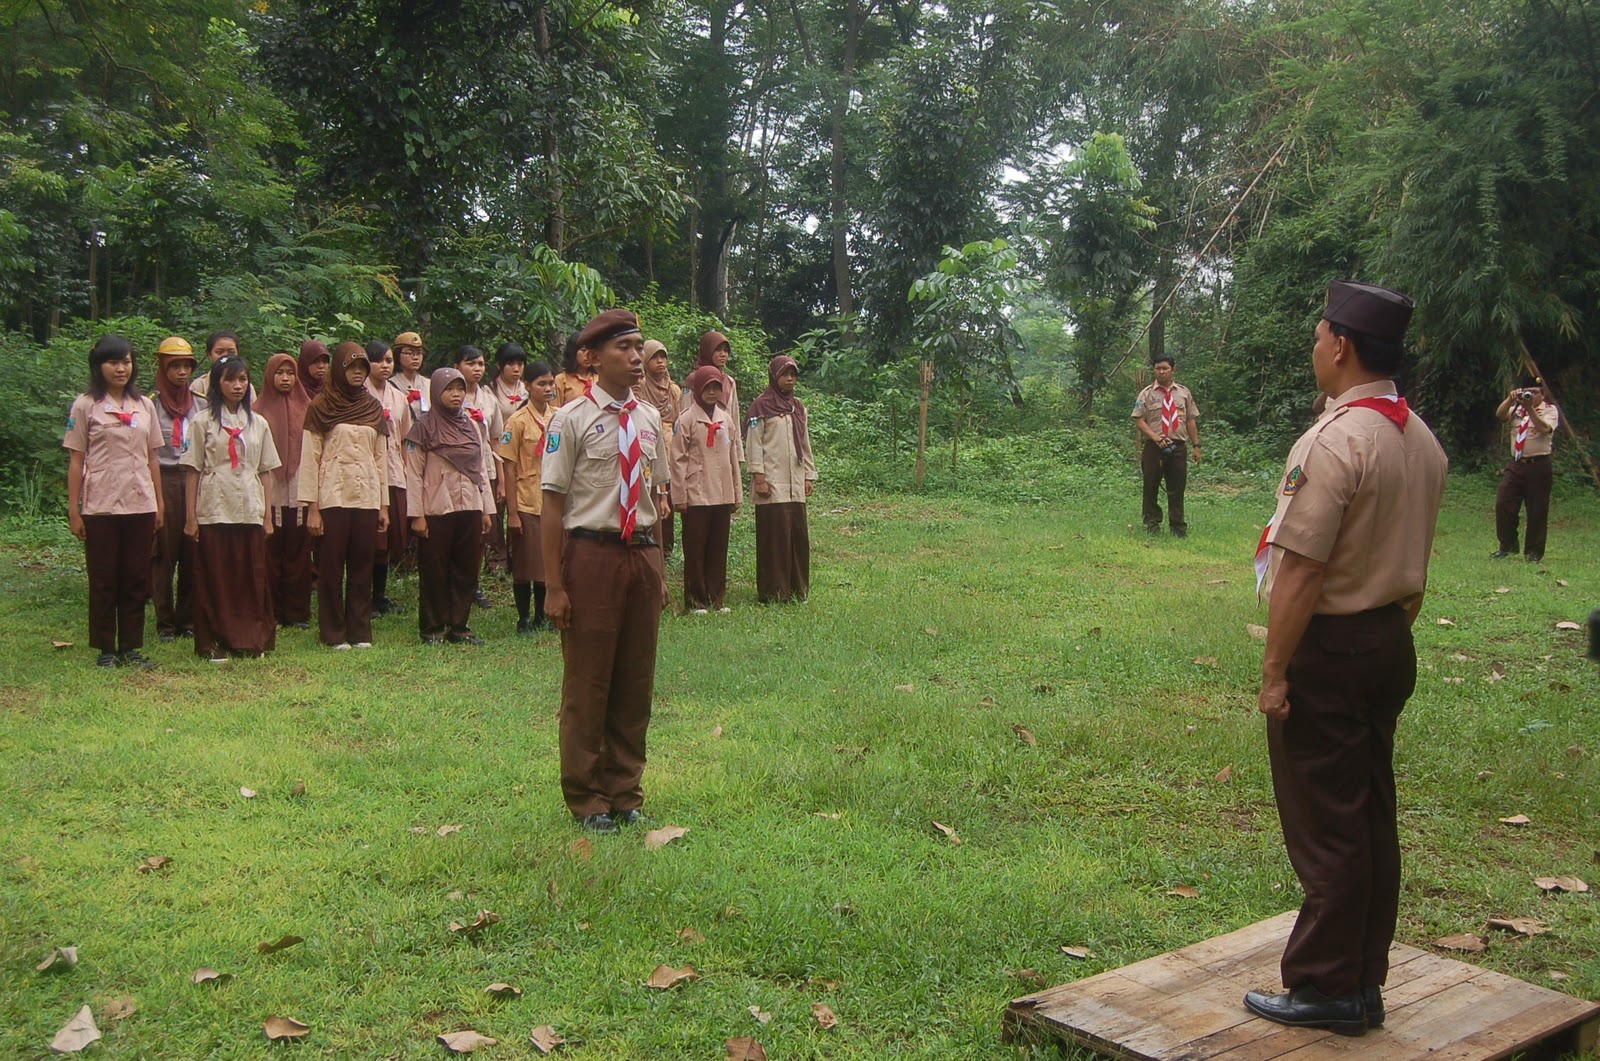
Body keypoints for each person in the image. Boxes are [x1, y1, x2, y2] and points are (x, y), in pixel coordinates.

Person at [1244, 280, 1448, 1038]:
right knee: (1368, 814)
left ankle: (1327, 987)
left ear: (1342, 344)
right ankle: (1362, 980)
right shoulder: (1417, 437)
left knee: (1327, 818)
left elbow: (1300, 571)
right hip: (1391, 638)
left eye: (1319, 334)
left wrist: (1275, 673)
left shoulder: (1336, 440)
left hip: (1331, 649)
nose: (1314, 347)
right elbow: (1416, 557)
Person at [541, 309, 671, 834]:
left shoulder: (648, 420)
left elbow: (657, 498)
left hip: (640, 553)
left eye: (639, 347)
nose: (636, 357)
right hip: (591, 554)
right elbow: (551, 506)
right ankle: (587, 797)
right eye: (624, 348)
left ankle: (625, 790)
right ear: (591, 359)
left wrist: (659, 570)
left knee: (635, 679)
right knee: (589, 681)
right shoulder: (570, 420)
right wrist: (554, 585)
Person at [62, 334, 165, 669]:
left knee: (136, 578)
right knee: (104, 577)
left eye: (127, 361)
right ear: (99, 366)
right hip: (101, 505)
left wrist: (159, 504)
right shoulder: (85, 405)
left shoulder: (145, 405)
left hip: (140, 503)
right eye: (113, 362)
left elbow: (153, 458)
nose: (121, 368)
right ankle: (106, 648)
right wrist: (73, 509)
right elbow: (77, 460)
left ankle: (131, 646)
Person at [182, 356, 281, 661]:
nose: (237, 386)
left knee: (250, 575)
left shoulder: (259, 423)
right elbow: (192, 470)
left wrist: (268, 516)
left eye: (242, 380)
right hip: (214, 504)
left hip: (250, 506)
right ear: (217, 383)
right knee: (217, 576)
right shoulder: (202, 422)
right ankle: (214, 642)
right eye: (230, 379)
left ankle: (250, 639)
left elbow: (266, 471)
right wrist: (191, 518)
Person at [299, 342, 389, 649]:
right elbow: (310, 459)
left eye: (362, 368)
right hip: (332, 496)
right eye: (351, 367)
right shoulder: (321, 405)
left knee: (363, 565)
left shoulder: (373, 408)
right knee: (332, 567)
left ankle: (360, 631)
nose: (357, 373)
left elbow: (381, 459)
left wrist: (384, 505)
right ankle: (334, 632)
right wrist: (312, 508)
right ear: (340, 369)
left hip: (366, 495)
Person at [406, 367, 494, 645]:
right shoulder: (423, 427)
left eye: (460, 389)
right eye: (449, 389)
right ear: (436, 392)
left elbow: (481, 468)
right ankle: (433, 628)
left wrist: (486, 509)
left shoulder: (471, 425)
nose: (456, 395)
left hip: (469, 505)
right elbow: (412, 473)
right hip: (436, 508)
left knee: (466, 568)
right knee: (434, 569)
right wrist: (416, 515)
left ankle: (460, 626)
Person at [745, 355, 818, 603]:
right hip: (772, 482)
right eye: (785, 374)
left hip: (795, 482)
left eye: (793, 374)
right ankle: (773, 592)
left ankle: (798, 590)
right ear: (774, 376)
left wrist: (809, 474)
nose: (789, 379)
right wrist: (759, 477)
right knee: (774, 539)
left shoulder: (798, 407)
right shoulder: (760, 406)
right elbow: (754, 444)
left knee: (797, 538)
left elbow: (805, 443)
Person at [670, 366, 741, 613]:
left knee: (718, 548)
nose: (712, 393)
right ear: (698, 389)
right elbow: (677, 460)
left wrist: (736, 493)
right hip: (697, 492)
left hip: (721, 492)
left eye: (716, 388)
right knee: (696, 548)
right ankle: (696, 599)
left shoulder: (726, 419)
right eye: (707, 388)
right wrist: (679, 496)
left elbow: (733, 458)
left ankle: (716, 596)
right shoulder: (686, 419)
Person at [498, 360, 557, 634]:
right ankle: (523, 618)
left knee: (548, 560)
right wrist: (513, 511)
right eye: (541, 384)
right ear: (527, 386)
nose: (547, 388)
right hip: (526, 499)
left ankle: (541, 616)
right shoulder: (517, 421)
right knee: (525, 563)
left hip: (552, 500)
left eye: (550, 383)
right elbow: (509, 467)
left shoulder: (558, 418)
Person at [150, 336, 202, 642]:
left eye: (187, 366)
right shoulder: (151, 404)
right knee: (164, 553)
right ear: (162, 367)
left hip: (194, 479)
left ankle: (188, 619)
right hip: (164, 478)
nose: (182, 372)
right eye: (175, 366)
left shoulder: (201, 404)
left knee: (192, 551)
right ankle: (165, 621)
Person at [257, 352, 314, 629]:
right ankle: (273, 610)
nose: (285, 378)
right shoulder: (257, 410)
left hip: (299, 484)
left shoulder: (308, 407)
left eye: (290, 373)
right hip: (269, 486)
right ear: (270, 376)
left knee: (299, 549)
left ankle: (297, 611)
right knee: (271, 550)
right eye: (279, 373)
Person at [1131, 354, 1201, 536]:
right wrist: (1156, 438)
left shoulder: (1184, 393)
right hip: (1154, 448)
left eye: (1165, 368)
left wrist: (1196, 446)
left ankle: (1177, 526)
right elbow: (1139, 420)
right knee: (1150, 486)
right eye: (1157, 368)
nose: (1161, 372)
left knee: (1177, 487)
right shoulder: (1146, 393)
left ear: (1173, 370)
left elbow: (1191, 420)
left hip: (1178, 447)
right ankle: (1152, 524)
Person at [366, 340, 411, 615]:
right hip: (369, 470)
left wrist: (406, 467)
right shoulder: (360, 394)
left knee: (389, 537)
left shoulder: (399, 397)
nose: (385, 366)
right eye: (379, 360)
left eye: (388, 361)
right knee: (371, 536)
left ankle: (380, 594)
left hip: (394, 469)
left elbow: (406, 438)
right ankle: (364, 594)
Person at [1492, 378, 1559, 563]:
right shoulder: (1517, 410)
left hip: (1538, 465)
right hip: (1516, 464)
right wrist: (1510, 399)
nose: (1529, 395)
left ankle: (1534, 553)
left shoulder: (1549, 410)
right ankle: (1507, 546)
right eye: (1526, 391)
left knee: (1537, 510)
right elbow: (1500, 416)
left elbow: (1545, 428)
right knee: (1503, 504)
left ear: (1542, 394)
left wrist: (1530, 409)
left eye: (1534, 392)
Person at [486, 342, 529, 573]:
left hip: (526, 455)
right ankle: (496, 559)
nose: (516, 368)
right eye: (511, 363)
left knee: (521, 505)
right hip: (498, 454)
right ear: (500, 366)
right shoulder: (489, 391)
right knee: (498, 505)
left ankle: (518, 555)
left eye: (520, 363)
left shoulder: (528, 389)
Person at [637, 339, 682, 556]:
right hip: (647, 439)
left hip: (670, 442)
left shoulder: (673, 389)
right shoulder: (641, 386)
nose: (660, 362)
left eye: (663, 357)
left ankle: (667, 544)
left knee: (668, 493)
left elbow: (678, 419)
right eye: (655, 357)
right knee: (649, 489)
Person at [683, 330, 745, 463]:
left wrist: (738, 456)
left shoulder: (729, 382)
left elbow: (734, 419)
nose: (723, 354)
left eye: (726, 350)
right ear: (708, 351)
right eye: (718, 350)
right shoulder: (693, 380)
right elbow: (684, 417)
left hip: (725, 444)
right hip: (698, 447)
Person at [553, 333, 597, 407]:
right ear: (573, 352)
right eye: (583, 350)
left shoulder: (598, 379)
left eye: (591, 351)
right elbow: (554, 409)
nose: (588, 355)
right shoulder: (561, 379)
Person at [393, 331, 431, 414]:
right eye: (409, 353)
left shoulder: (429, 384)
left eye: (419, 353)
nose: (415, 357)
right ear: (397, 355)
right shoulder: (390, 385)